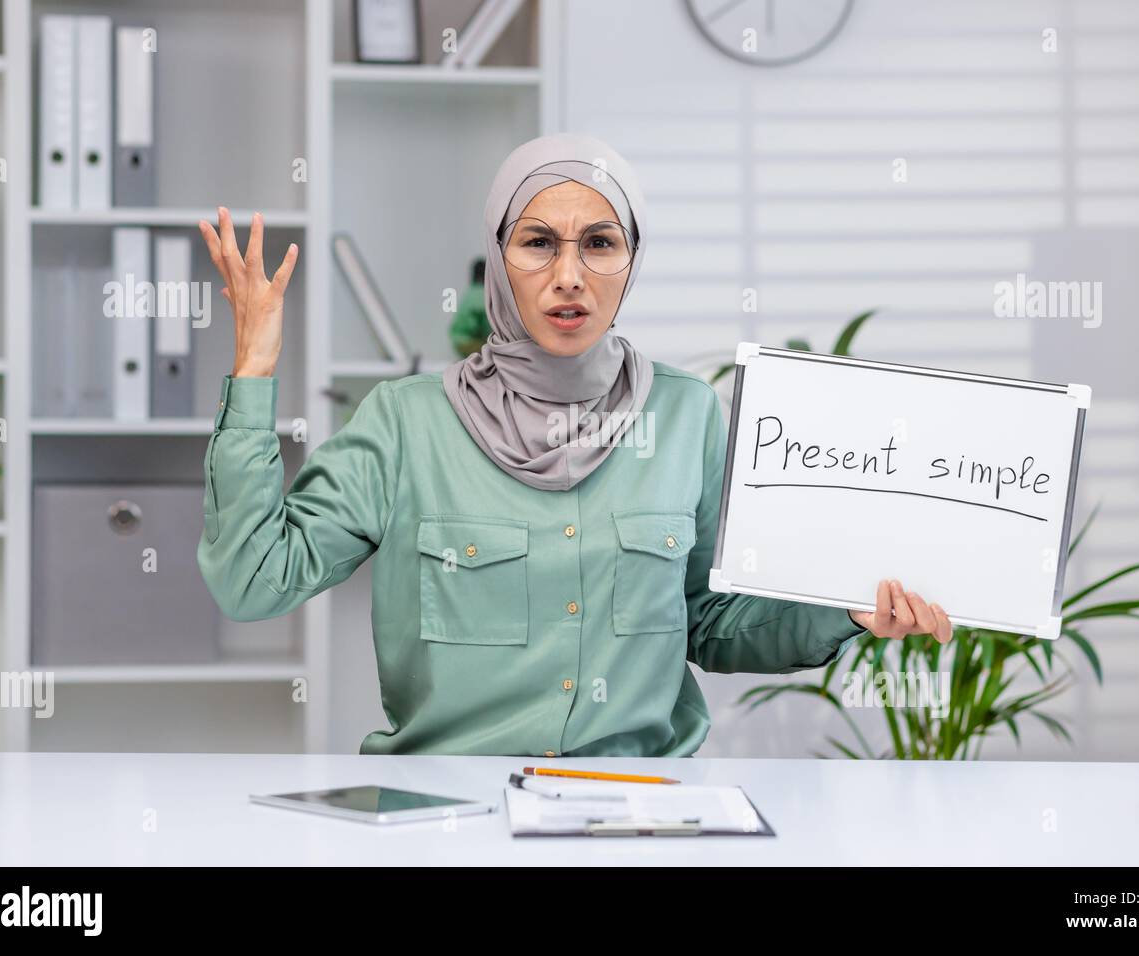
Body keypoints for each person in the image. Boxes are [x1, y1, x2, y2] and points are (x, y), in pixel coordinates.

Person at [196, 132, 952, 758]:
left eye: (599, 243)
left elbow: (710, 624)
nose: (568, 276)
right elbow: (254, 581)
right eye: (538, 243)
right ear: (498, 257)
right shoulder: (404, 422)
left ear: (632, 260)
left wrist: (847, 612)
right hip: (451, 820)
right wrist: (255, 367)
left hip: (643, 814)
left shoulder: (687, 415)